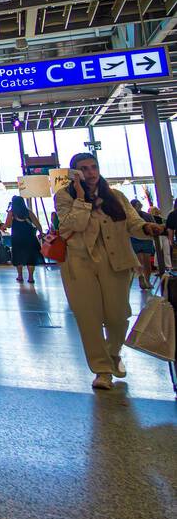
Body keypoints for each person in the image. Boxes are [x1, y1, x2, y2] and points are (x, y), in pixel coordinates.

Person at [54, 152, 164, 390]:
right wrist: (82, 197)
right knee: (88, 318)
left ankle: (113, 354)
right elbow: (74, 224)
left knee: (118, 316)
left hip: (117, 262)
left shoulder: (116, 197)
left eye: (94, 167)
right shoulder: (64, 197)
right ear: (75, 173)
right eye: (84, 168)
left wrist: (147, 227)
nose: (91, 173)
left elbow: (133, 224)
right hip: (79, 264)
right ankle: (102, 370)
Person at [4, 196, 44, 283]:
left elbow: (8, 225)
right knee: (31, 258)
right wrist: (41, 233)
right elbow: (37, 224)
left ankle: (20, 276)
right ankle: (30, 277)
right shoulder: (28, 212)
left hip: (17, 238)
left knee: (18, 257)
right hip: (30, 237)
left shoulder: (12, 213)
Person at [129, 199, 156, 291]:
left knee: (140, 261)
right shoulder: (147, 216)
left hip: (136, 239)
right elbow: (153, 226)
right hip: (146, 240)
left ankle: (142, 277)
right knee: (146, 261)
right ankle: (146, 280)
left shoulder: (130, 217)